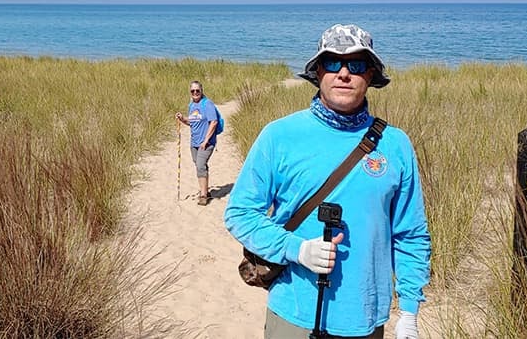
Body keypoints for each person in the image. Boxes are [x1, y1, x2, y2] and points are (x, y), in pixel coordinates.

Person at [224, 25, 431, 338]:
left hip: (366, 320)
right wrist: (297, 249)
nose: (344, 73)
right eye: (333, 62)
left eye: (357, 64)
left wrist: (410, 312)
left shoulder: (396, 144)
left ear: (371, 75)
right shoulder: (279, 136)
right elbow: (239, 214)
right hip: (293, 316)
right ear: (318, 71)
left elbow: (410, 233)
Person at [175, 80, 220, 206]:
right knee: (200, 165)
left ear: (201, 91)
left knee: (200, 165)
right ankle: (206, 190)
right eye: (192, 91)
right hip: (194, 142)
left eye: (197, 90)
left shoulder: (207, 104)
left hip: (206, 142)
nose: (195, 93)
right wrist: (182, 118)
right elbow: (192, 122)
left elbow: (214, 122)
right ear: (190, 92)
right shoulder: (191, 105)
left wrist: (206, 140)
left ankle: (204, 195)